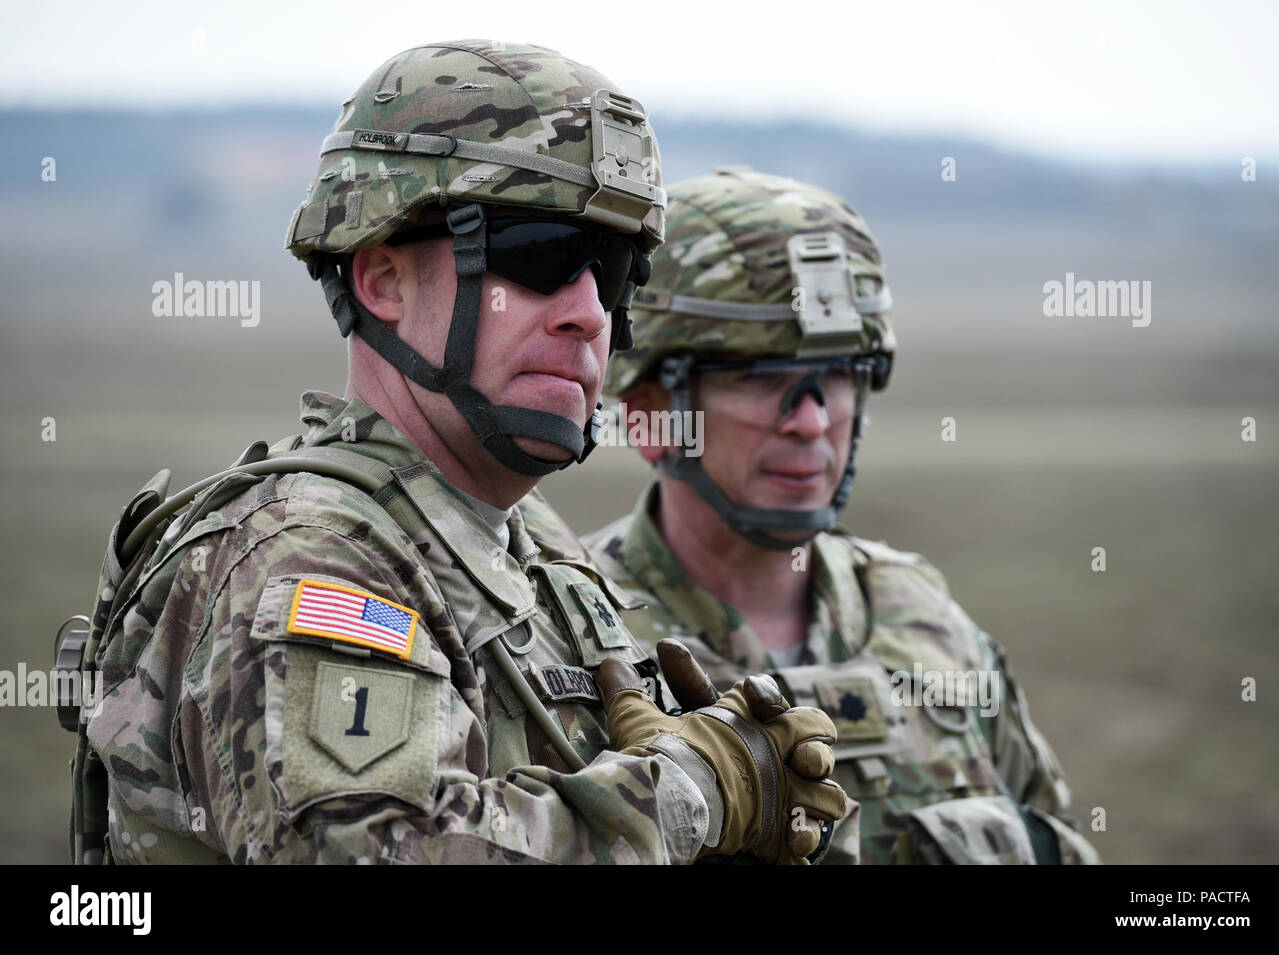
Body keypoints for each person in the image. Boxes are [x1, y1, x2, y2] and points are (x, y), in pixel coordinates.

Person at [74, 45, 845, 865]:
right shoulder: (308, 560)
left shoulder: (530, 544)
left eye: (613, 271)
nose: (586, 312)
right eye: (539, 254)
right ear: (382, 280)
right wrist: (691, 793)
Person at [582, 167, 1100, 864]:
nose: (810, 419)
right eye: (761, 378)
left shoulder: (928, 621)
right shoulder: (576, 637)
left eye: (835, 375)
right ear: (649, 415)